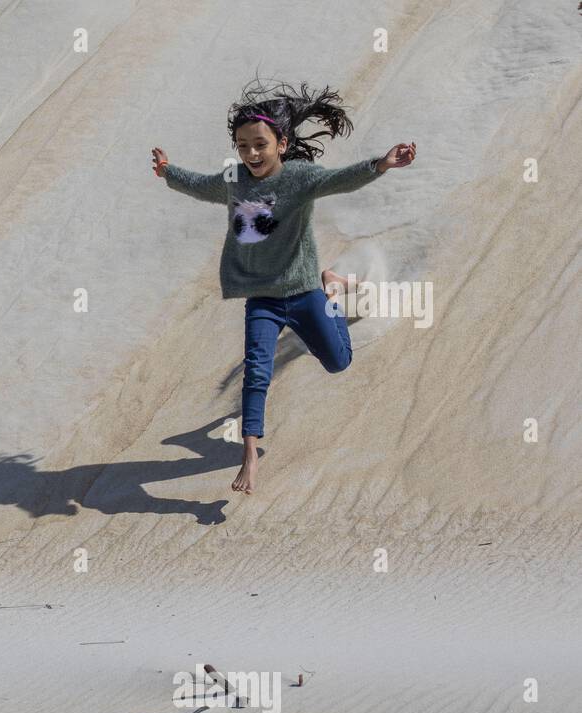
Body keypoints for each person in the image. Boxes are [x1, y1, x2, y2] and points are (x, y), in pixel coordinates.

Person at [151, 79, 416, 493]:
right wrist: (168, 172)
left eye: (259, 144)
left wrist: (381, 164)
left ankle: (332, 286)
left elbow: (341, 180)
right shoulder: (235, 179)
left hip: (305, 292)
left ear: (282, 144)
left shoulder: (300, 177)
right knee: (257, 371)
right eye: (242, 145)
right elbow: (201, 185)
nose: (251, 153)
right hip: (262, 299)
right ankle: (249, 458)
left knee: (338, 362)